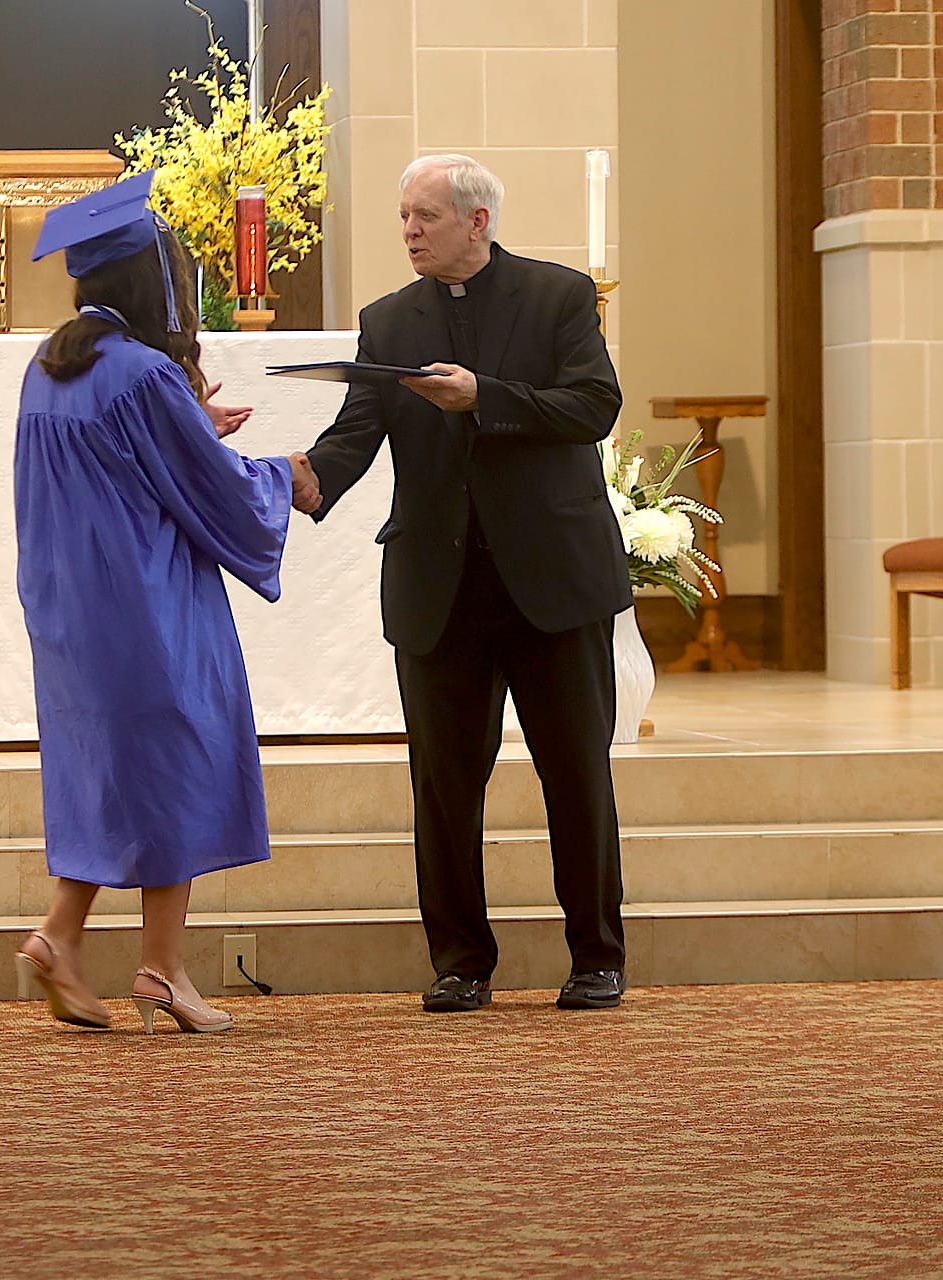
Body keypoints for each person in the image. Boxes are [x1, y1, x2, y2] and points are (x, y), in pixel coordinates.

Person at [301, 153, 631, 1012]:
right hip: (439, 583)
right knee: (443, 784)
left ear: (477, 222)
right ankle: (459, 960)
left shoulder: (560, 296)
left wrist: (486, 396)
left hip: (552, 580)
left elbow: (595, 406)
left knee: (576, 774)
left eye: (424, 217)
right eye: (403, 217)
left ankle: (596, 954)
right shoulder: (390, 320)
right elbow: (356, 430)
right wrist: (301, 480)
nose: (408, 231)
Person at [12, 172, 322, 1034]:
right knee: (182, 755)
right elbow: (207, 489)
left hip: (74, 607)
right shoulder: (146, 372)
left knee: (116, 769)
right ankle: (163, 970)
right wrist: (278, 475)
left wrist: (194, 426)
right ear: (155, 283)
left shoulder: (53, 366)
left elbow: (133, 462)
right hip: (150, 599)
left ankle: (61, 939)